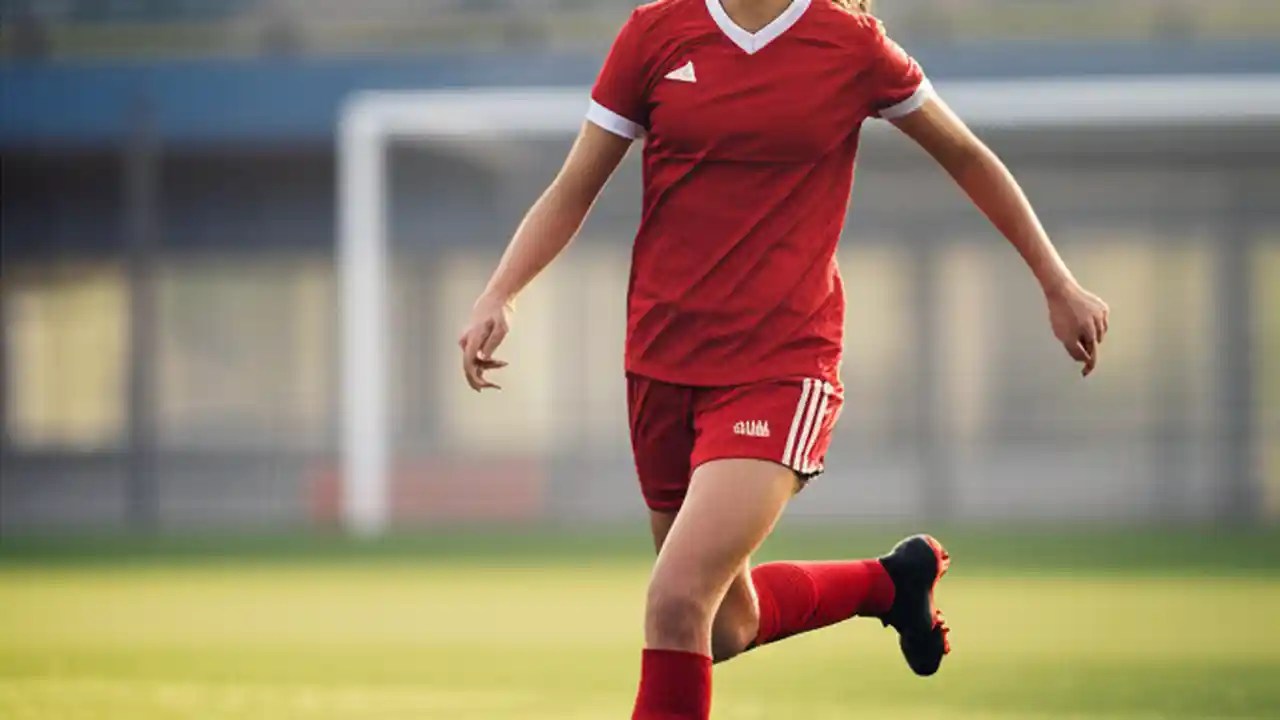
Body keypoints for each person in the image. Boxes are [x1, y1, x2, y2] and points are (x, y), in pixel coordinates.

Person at [457, 1, 1111, 717]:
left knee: (675, 600)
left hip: (781, 369)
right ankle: (892, 584)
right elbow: (573, 187)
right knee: (722, 626)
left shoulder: (850, 44)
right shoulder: (653, 33)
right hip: (660, 365)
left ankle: (888, 584)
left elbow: (966, 155)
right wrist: (501, 292)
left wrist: (1056, 281)